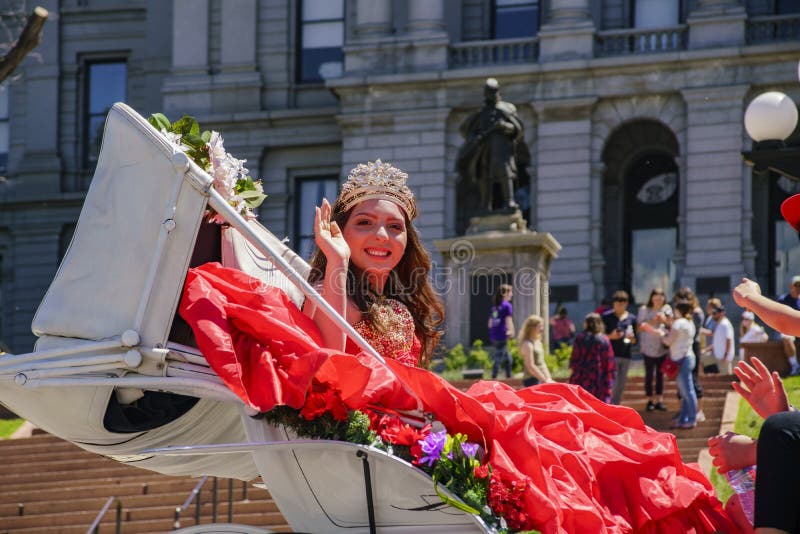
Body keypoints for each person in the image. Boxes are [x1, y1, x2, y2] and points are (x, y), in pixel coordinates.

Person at [180, 160, 737, 532]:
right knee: (548, 431)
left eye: (394, 227)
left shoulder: (400, 307)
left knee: (570, 420)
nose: (381, 237)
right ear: (341, 233)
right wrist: (337, 265)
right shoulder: (332, 296)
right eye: (365, 224)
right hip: (398, 428)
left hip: (427, 420)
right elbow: (332, 361)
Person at [456, 78, 529, 211]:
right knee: (484, 176)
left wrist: (505, 126)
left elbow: (517, 128)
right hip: (485, 150)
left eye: (493, 92)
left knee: (505, 173)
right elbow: (469, 131)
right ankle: (485, 205)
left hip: (502, 150)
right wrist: (475, 137)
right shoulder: (482, 113)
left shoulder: (506, 108)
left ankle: (510, 201)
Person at [645, 299, 697, 429]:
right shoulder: (689, 322)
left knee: (688, 391)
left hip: (682, 359)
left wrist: (660, 334)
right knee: (685, 392)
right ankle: (684, 418)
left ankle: (691, 419)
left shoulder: (678, 323)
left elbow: (668, 341)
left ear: (678, 310)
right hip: (687, 357)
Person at [675, 287, 707, 423]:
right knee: (682, 383)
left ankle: (698, 411)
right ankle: (683, 412)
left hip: (692, 346)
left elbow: (693, 331)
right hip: (680, 348)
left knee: (693, 380)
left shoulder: (696, 313)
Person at [637, 288, 672, 412]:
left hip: (662, 346)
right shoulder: (644, 310)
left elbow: (672, 325)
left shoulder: (667, 309)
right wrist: (653, 321)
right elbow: (639, 328)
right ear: (651, 298)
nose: (658, 300)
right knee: (649, 374)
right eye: (656, 297)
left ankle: (660, 400)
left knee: (660, 375)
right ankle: (650, 400)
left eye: (661, 297)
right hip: (647, 347)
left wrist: (664, 320)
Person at [569, 312, 615, 403]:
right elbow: (609, 362)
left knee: (582, 404)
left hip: (582, 378)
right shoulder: (604, 340)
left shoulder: (580, 338)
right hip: (599, 379)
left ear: (586, 324)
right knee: (598, 405)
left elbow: (574, 358)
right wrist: (609, 381)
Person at [602, 290, 637, 405]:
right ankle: (609, 405)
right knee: (614, 382)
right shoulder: (606, 317)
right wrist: (611, 336)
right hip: (611, 354)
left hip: (626, 354)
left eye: (622, 304)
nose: (619, 306)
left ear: (626, 304)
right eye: (617, 304)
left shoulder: (632, 318)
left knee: (621, 384)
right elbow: (601, 336)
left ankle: (615, 405)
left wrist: (632, 339)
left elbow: (636, 340)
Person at [488, 284, 514, 379]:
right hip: (502, 334)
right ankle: (494, 376)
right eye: (510, 292)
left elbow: (490, 324)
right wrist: (511, 331)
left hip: (494, 335)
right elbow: (508, 320)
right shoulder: (507, 306)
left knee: (507, 358)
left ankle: (508, 376)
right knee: (499, 357)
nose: (511, 294)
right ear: (505, 294)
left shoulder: (494, 307)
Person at [518, 314, 552, 387]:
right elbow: (530, 366)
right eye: (539, 326)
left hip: (542, 379)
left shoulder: (538, 342)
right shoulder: (527, 344)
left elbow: (542, 363)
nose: (542, 329)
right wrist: (544, 380)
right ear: (532, 328)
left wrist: (548, 378)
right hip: (532, 380)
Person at [703, 304, 735, 375]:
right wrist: (706, 350)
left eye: (714, 314)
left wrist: (726, 355)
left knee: (726, 380)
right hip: (718, 357)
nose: (713, 316)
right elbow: (717, 342)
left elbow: (728, 340)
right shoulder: (719, 324)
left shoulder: (725, 324)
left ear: (722, 313)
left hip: (724, 358)